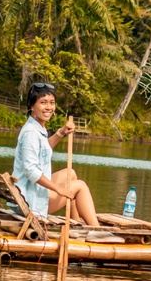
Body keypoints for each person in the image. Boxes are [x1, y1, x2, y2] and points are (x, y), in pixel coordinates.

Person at [12, 81, 99, 226]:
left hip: (29, 194)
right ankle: (96, 230)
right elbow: (31, 171)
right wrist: (58, 188)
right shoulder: (30, 133)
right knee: (80, 186)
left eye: (52, 103)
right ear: (32, 106)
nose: (49, 107)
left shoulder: (36, 127)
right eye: (43, 102)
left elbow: (44, 149)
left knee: (70, 173)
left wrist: (61, 132)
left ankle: (75, 222)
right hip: (29, 204)